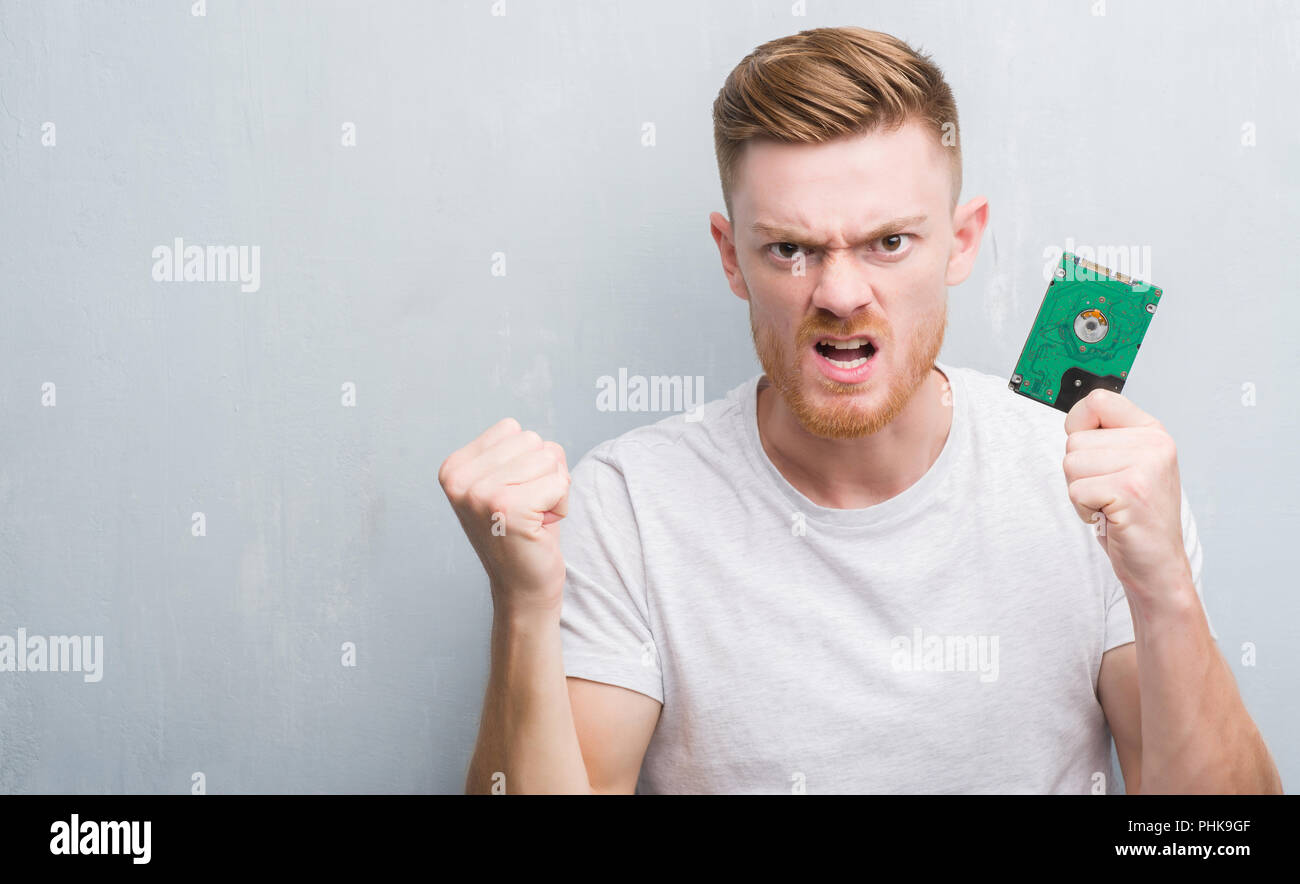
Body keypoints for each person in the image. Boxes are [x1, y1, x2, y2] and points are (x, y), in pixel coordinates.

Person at [439, 26, 1282, 794]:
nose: (840, 294)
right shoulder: (629, 506)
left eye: (889, 241)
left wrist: (1163, 584)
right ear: (732, 259)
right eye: (790, 249)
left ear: (960, 241)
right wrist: (523, 610)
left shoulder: (1094, 491)